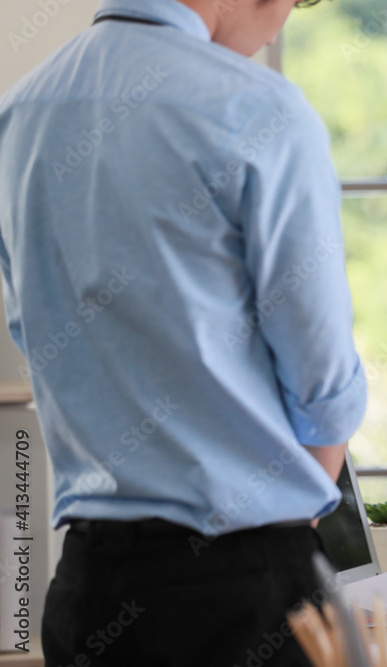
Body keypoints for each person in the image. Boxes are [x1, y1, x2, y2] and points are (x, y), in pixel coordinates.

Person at [0, 0, 365, 663]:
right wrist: (294, 518)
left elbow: (33, 331)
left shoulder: (18, 112)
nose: (286, 14)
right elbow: (322, 377)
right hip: (245, 592)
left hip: (88, 588)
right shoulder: (260, 109)